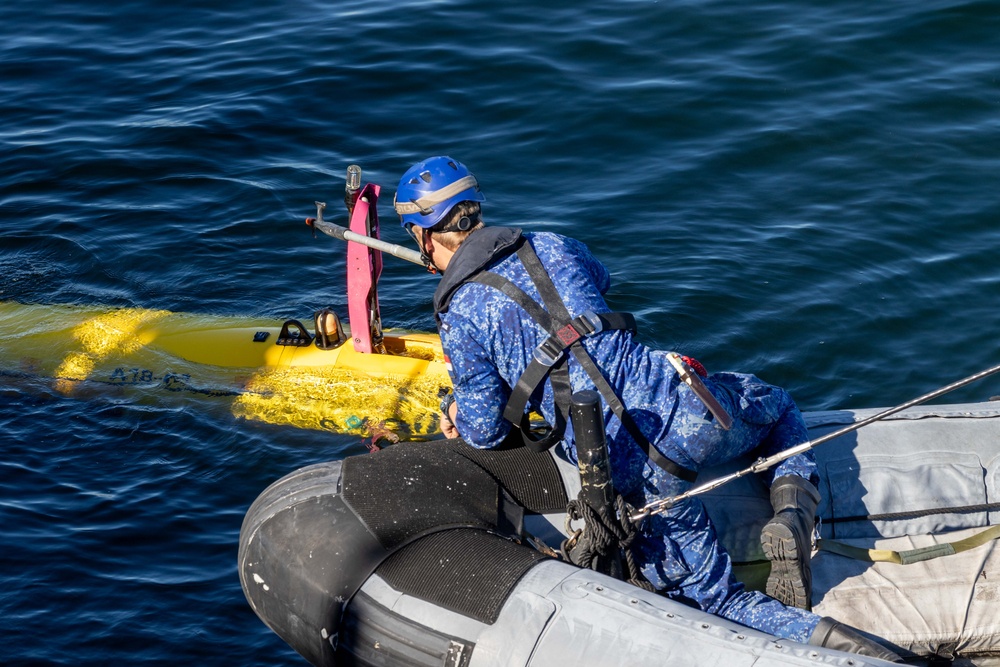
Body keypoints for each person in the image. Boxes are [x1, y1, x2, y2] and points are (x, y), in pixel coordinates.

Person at [394, 156, 901, 662]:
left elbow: (483, 431)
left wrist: (456, 409)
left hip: (633, 468)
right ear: (474, 208)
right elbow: (600, 278)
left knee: (716, 601)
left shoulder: (459, 312)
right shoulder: (549, 243)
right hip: (689, 409)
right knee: (777, 406)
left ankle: (856, 652)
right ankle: (792, 513)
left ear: (422, 235)